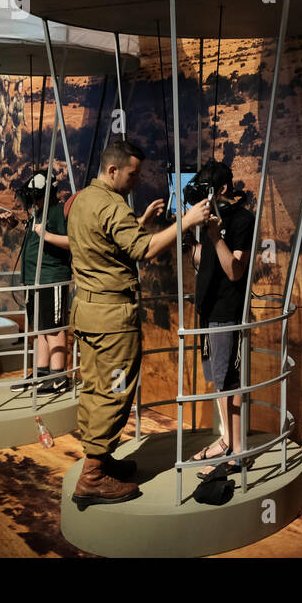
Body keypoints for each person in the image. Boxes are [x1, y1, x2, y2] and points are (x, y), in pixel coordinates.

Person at [66, 139, 209, 508]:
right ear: (112, 170)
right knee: (114, 390)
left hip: (89, 313)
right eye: (132, 174)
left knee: (96, 386)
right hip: (113, 320)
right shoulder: (112, 205)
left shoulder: (83, 200)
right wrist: (187, 221)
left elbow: (107, 243)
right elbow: (144, 250)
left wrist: (140, 223)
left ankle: (101, 458)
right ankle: (93, 476)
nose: (136, 180)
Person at [187, 159, 255, 481]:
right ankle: (228, 440)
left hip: (228, 312)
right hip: (208, 311)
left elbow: (234, 270)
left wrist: (215, 235)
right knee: (219, 380)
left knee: (230, 382)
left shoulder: (242, 219)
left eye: (207, 187)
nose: (203, 195)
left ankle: (237, 451)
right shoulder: (210, 219)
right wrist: (190, 238)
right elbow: (205, 261)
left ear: (223, 188)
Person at [0, 168, 73, 394]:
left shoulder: (59, 212)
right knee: (39, 328)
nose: (32, 202)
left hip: (52, 279)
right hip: (34, 280)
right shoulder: (37, 214)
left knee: (54, 328)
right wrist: (15, 223)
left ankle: (58, 377)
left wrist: (45, 234)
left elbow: (72, 240)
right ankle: (41, 374)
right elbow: (33, 233)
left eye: (36, 197)